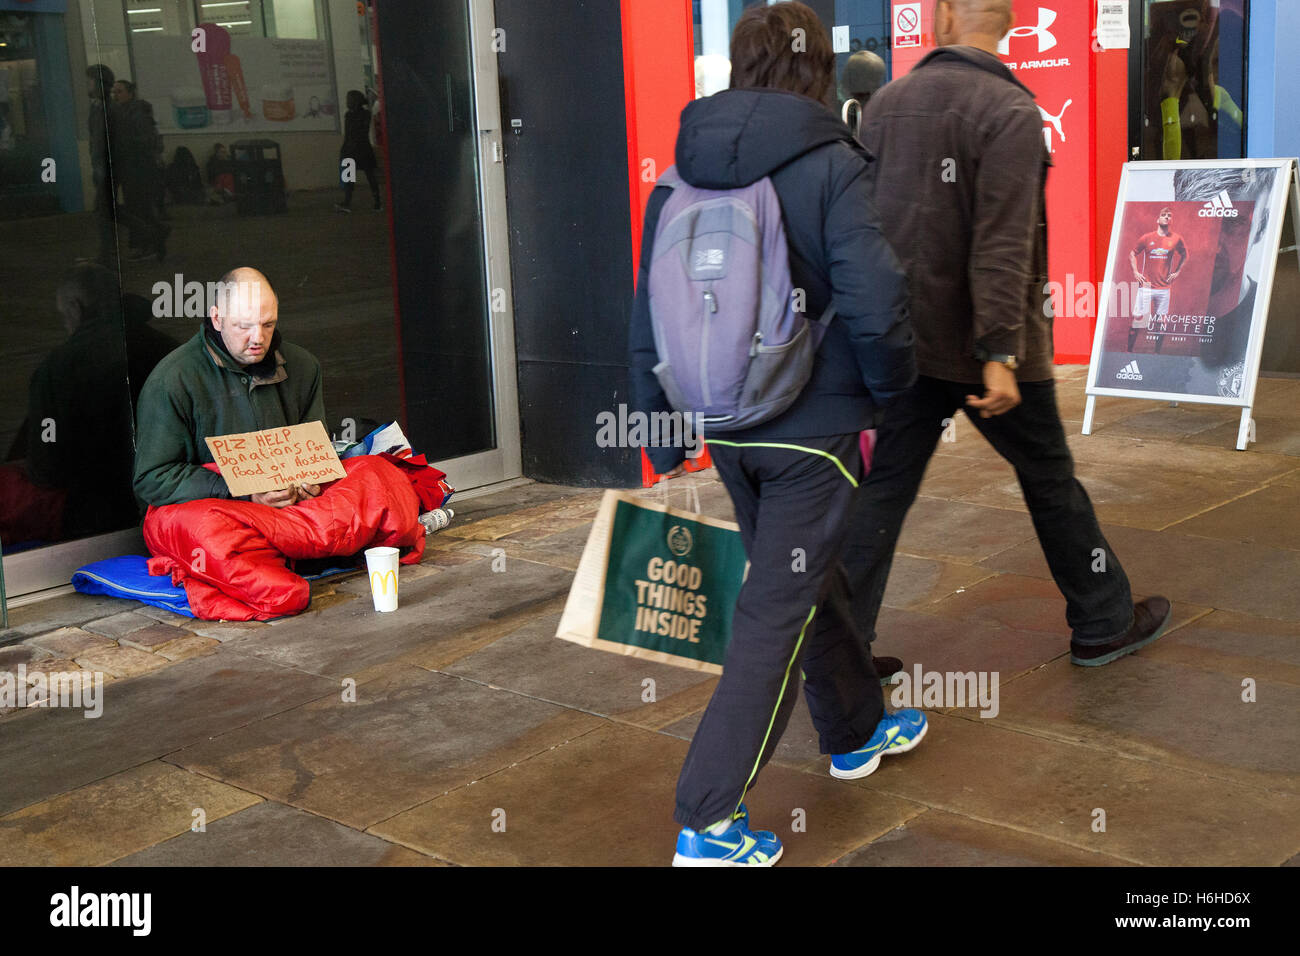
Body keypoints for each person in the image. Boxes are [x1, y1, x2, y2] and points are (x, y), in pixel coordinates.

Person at [630, 2, 922, 867]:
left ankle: (857, 727)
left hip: (725, 420)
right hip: (813, 428)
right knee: (774, 612)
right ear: (817, 69)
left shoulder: (678, 172)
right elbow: (876, 301)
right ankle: (709, 815)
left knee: (804, 576)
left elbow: (646, 305)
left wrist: (658, 425)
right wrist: (888, 392)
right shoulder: (832, 162)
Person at [842, 0, 1171, 671]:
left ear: (941, 21)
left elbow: (862, 225)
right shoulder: (1011, 111)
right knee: (1049, 479)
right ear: (1012, 24)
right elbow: (1004, 241)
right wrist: (998, 352)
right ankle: (1104, 618)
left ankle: (842, 651)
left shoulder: (886, 106)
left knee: (881, 492)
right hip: (985, 350)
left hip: (905, 341)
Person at [133, 267, 326, 508]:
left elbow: (316, 453)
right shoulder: (172, 379)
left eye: (268, 324)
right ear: (217, 319)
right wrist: (241, 493)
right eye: (244, 326)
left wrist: (311, 481)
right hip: (220, 523)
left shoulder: (304, 366)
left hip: (293, 518)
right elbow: (152, 479)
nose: (258, 338)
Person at [111, 79, 169, 261]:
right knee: (139, 208)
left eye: (119, 91)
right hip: (135, 167)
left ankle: (151, 242)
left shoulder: (135, 114)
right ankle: (151, 243)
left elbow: (145, 140)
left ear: (130, 93)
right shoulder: (131, 112)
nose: (116, 95)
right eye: (115, 92)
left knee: (139, 208)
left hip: (139, 168)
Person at [1128, 207, 1187, 353]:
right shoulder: (1147, 238)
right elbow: (1132, 253)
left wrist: (1177, 272)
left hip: (1163, 289)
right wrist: (1135, 271)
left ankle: (1156, 353)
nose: (1167, 217)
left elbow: (1185, 255)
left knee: (1161, 322)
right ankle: (1128, 352)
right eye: (1163, 215)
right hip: (1146, 287)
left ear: (1171, 220)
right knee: (1137, 319)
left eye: (1169, 216)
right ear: (1158, 219)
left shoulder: (1176, 239)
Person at [82, 65, 117, 266]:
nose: (88, 84)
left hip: (105, 168)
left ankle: (106, 254)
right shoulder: (97, 107)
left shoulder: (106, 109)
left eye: (91, 80)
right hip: (101, 167)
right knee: (108, 211)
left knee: (103, 212)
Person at [335, 90, 382, 213]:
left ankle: (377, 202)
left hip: (360, 149)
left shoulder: (364, 114)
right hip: (355, 149)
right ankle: (347, 201)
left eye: (349, 99)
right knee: (351, 177)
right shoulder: (350, 115)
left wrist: (346, 149)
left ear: (355, 101)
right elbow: (349, 135)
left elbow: (358, 133)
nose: (347, 102)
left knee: (369, 176)